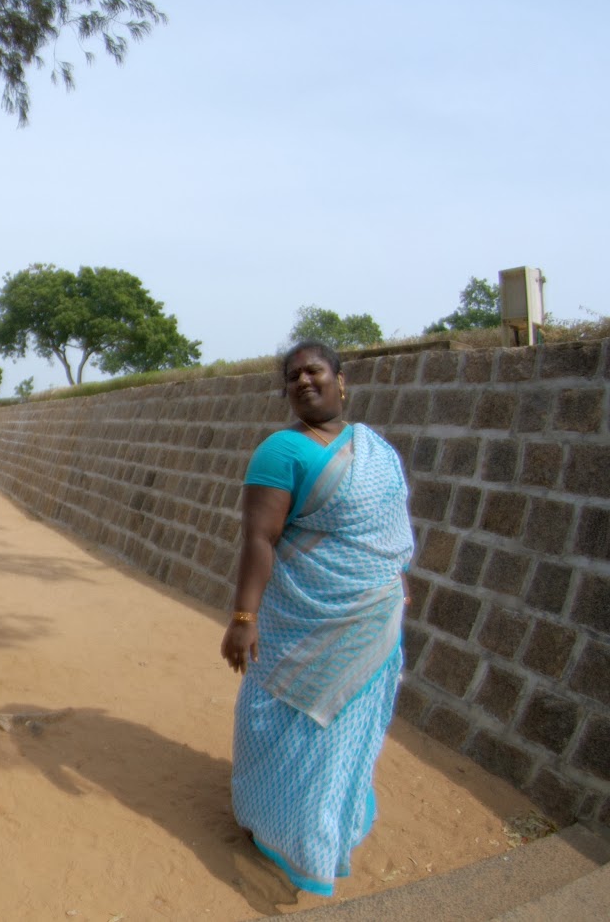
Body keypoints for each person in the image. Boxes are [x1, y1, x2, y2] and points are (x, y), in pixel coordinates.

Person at [221, 340, 414, 899]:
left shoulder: (373, 450)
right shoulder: (281, 451)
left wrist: (388, 588)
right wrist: (243, 617)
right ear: (285, 391)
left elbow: (389, 532)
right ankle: (279, 826)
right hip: (301, 618)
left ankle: (325, 831)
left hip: (370, 615)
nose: (304, 381)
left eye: (315, 370)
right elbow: (260, 538)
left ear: (340, 379)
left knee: (345, 736)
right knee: (278, 719)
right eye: (293, 376)